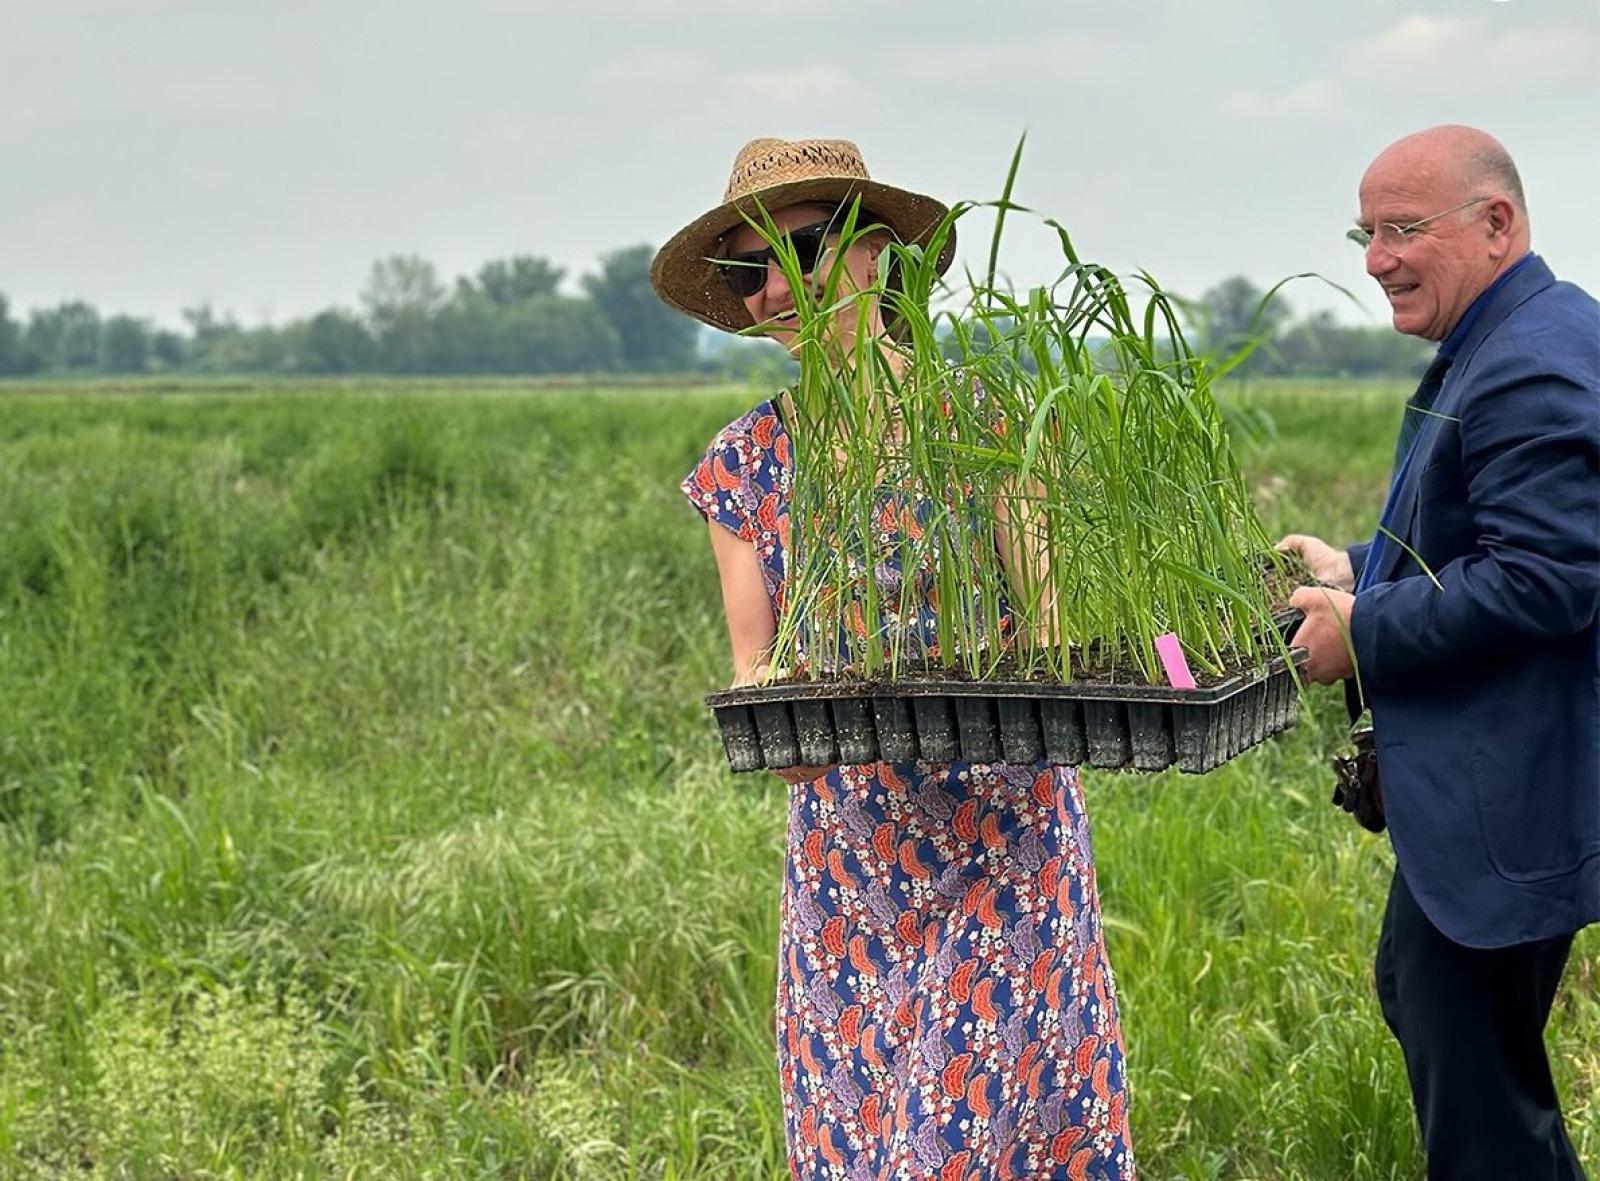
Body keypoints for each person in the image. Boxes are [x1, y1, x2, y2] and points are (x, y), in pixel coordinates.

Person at [653, 137, 1136, 1179]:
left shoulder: (992, 423)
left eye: (801, 250)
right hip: (849, 867)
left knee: (962, 1143)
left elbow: (1055, 634)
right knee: (865, 1141)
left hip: (1006, 842)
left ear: (873, 252)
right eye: (747, 271)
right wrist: (785, 719)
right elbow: (758, 684)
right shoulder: (742, 466)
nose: (776, 290)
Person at [1279, 125, 1598, 1179]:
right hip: (1504, 785)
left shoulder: (1525, 362)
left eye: (1404, 229)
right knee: (1435, 1007)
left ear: (1496, 222)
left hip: (1512, 791)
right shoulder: (1517, 336)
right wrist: (1359, 567)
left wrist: (1359, 629)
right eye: (1365, 233)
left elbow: (1545, 576)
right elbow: (1479, 536)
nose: (1375, 258)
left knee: (1472, 1069)